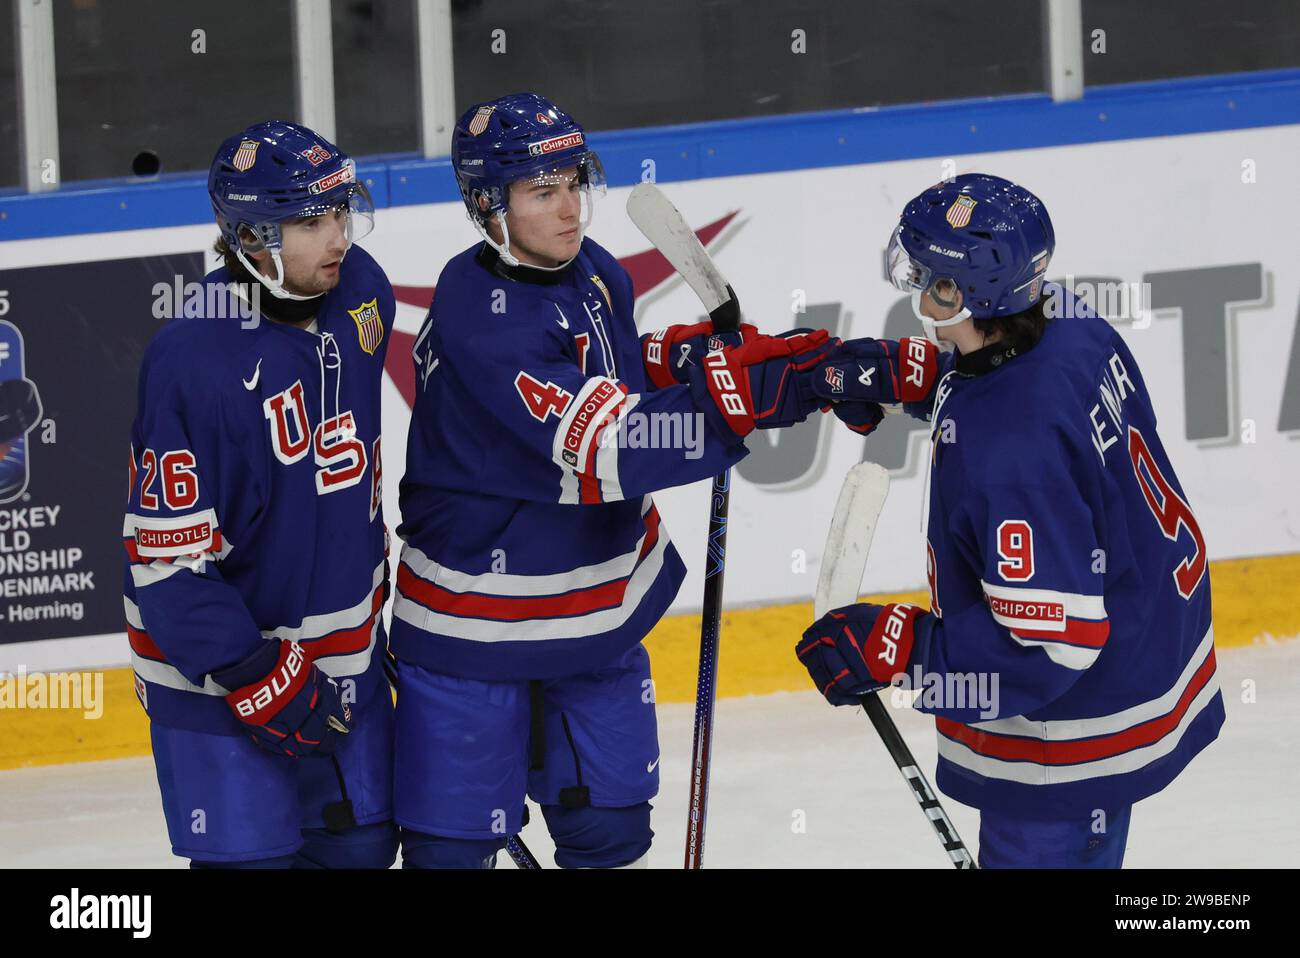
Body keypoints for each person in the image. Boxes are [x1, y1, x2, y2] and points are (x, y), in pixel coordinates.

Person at [391, 92, 835, 868]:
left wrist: (693, 358)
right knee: (451, 854)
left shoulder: (592, 271)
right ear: (485, 206)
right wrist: (751, 398)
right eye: (541, 191)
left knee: (610, 831)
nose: (570, 211)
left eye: (573, 182)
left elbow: (611, 371)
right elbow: (610, 445)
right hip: (474, 620)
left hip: (594, 606)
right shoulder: (480, 314)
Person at [796, 173, 1224, 868]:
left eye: (931, 281)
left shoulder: (1011, 452)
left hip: (1070, 731)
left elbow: (1049, 648)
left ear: (968, 296)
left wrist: (904, 652)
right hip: (1140, 646)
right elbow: (1023, 386)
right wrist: (917, 374)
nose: (916, 290)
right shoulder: (1069, 317)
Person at [122, 121, 398, 868]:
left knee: (361, 853)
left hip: (347, 671)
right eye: (310, 222)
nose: (337, 237)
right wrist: (251, 670)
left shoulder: (362, 294)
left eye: (340, 212)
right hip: (216, 689)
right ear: (247, 236)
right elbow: (166, 564)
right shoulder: (191, 365)